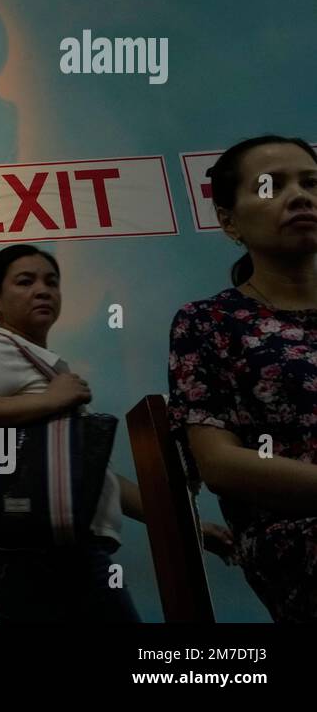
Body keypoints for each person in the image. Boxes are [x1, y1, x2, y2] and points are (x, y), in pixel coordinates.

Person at [0, 244, 233, 622]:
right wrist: (51, 400)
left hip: (62, 555)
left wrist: (188, 526)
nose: (42, 290)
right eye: (25, 282)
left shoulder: (43, 366)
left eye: (51, 282)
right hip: (46, 560)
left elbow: (98, 480)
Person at [168, 134, 317, 622]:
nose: (300, 196)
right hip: (300, 537)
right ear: (229, 221)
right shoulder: (210, 323)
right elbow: (221, 464)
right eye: (272, 186)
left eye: (312, 183)